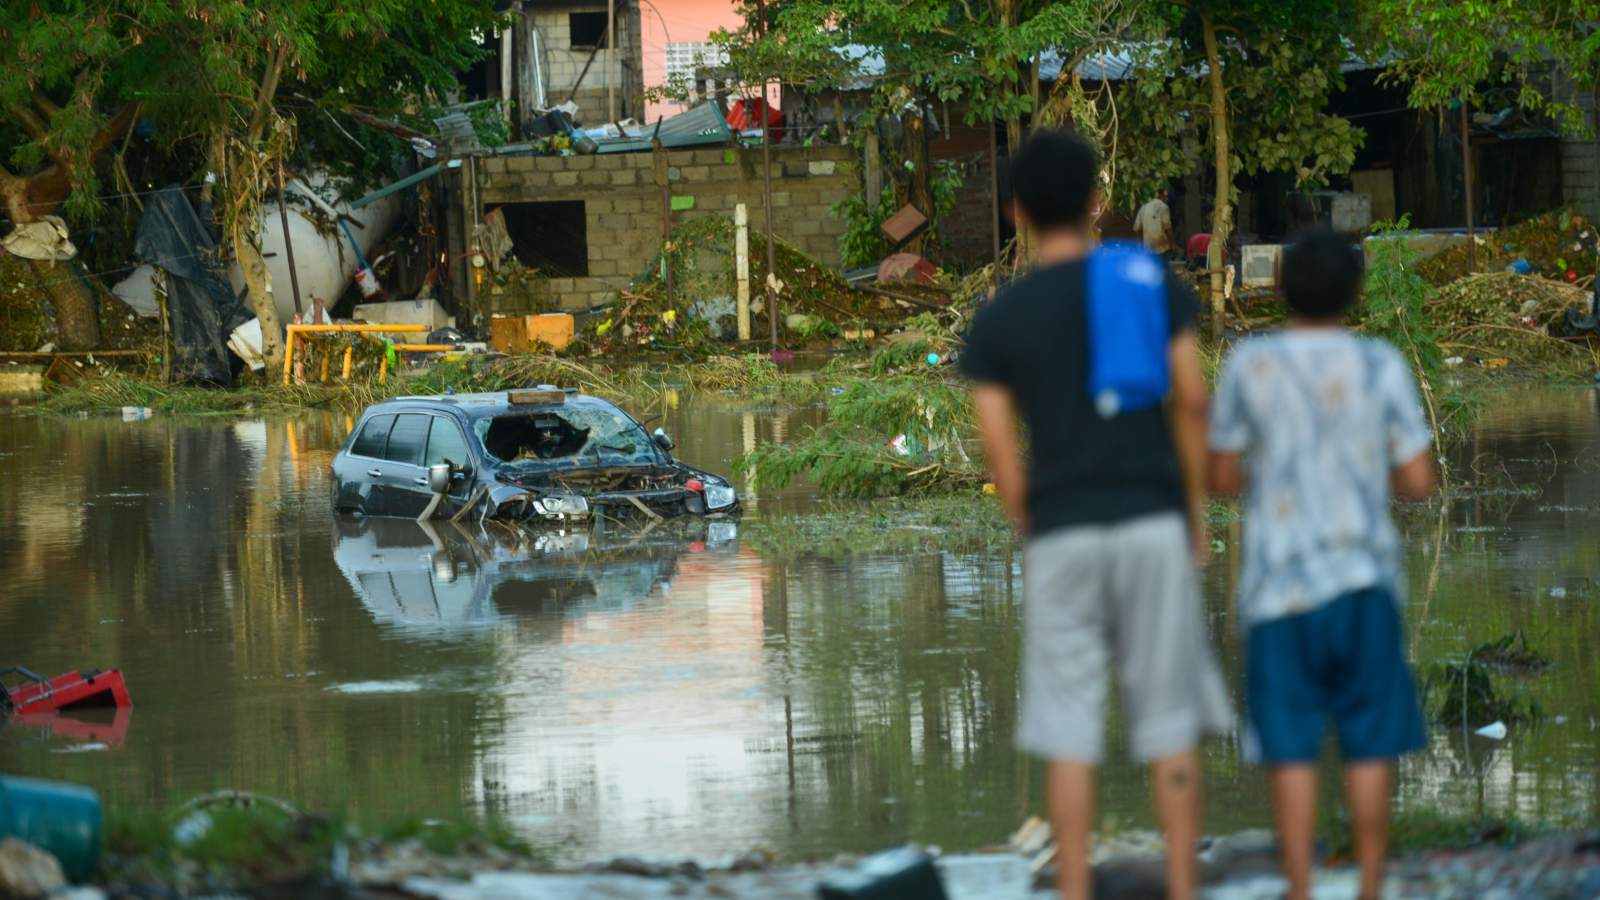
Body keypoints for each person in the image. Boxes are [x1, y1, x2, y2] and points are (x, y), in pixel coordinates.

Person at [961, 130, 1232, 900]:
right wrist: (1195, 516)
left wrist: (1033, 524)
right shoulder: (1145, 281)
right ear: (1095, 202)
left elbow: (999, 450)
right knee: (1170, 722)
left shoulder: (1001, 317)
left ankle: (1074, 889)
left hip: (1063, 534)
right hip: (1150, 523)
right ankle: (1183, 886)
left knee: (1069, 732)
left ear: (1017, 211)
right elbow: (1190, 402)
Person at [1208, 228, 1434, 900]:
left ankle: (1301, 888)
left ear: (1278, 291)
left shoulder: (1252, 363)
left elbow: (1220, 476)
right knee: (1369, 741)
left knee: (1291, 746)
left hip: (1279, 591)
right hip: (1364, 583)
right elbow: (1418, 479)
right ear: (1355, 293)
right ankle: (1368, 885)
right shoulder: (1379, 364)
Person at [1133, 189, 1176, 257]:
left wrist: (1140, 245)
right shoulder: (1164, 207)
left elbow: (1137, 228)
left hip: (1147, 249)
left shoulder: (1144, 207)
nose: (1167, 199)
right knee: (1162, 266)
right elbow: (1168, 228)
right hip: (1161, 248)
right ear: (1161, 196)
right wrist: (1173, 244)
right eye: (1166, 196)